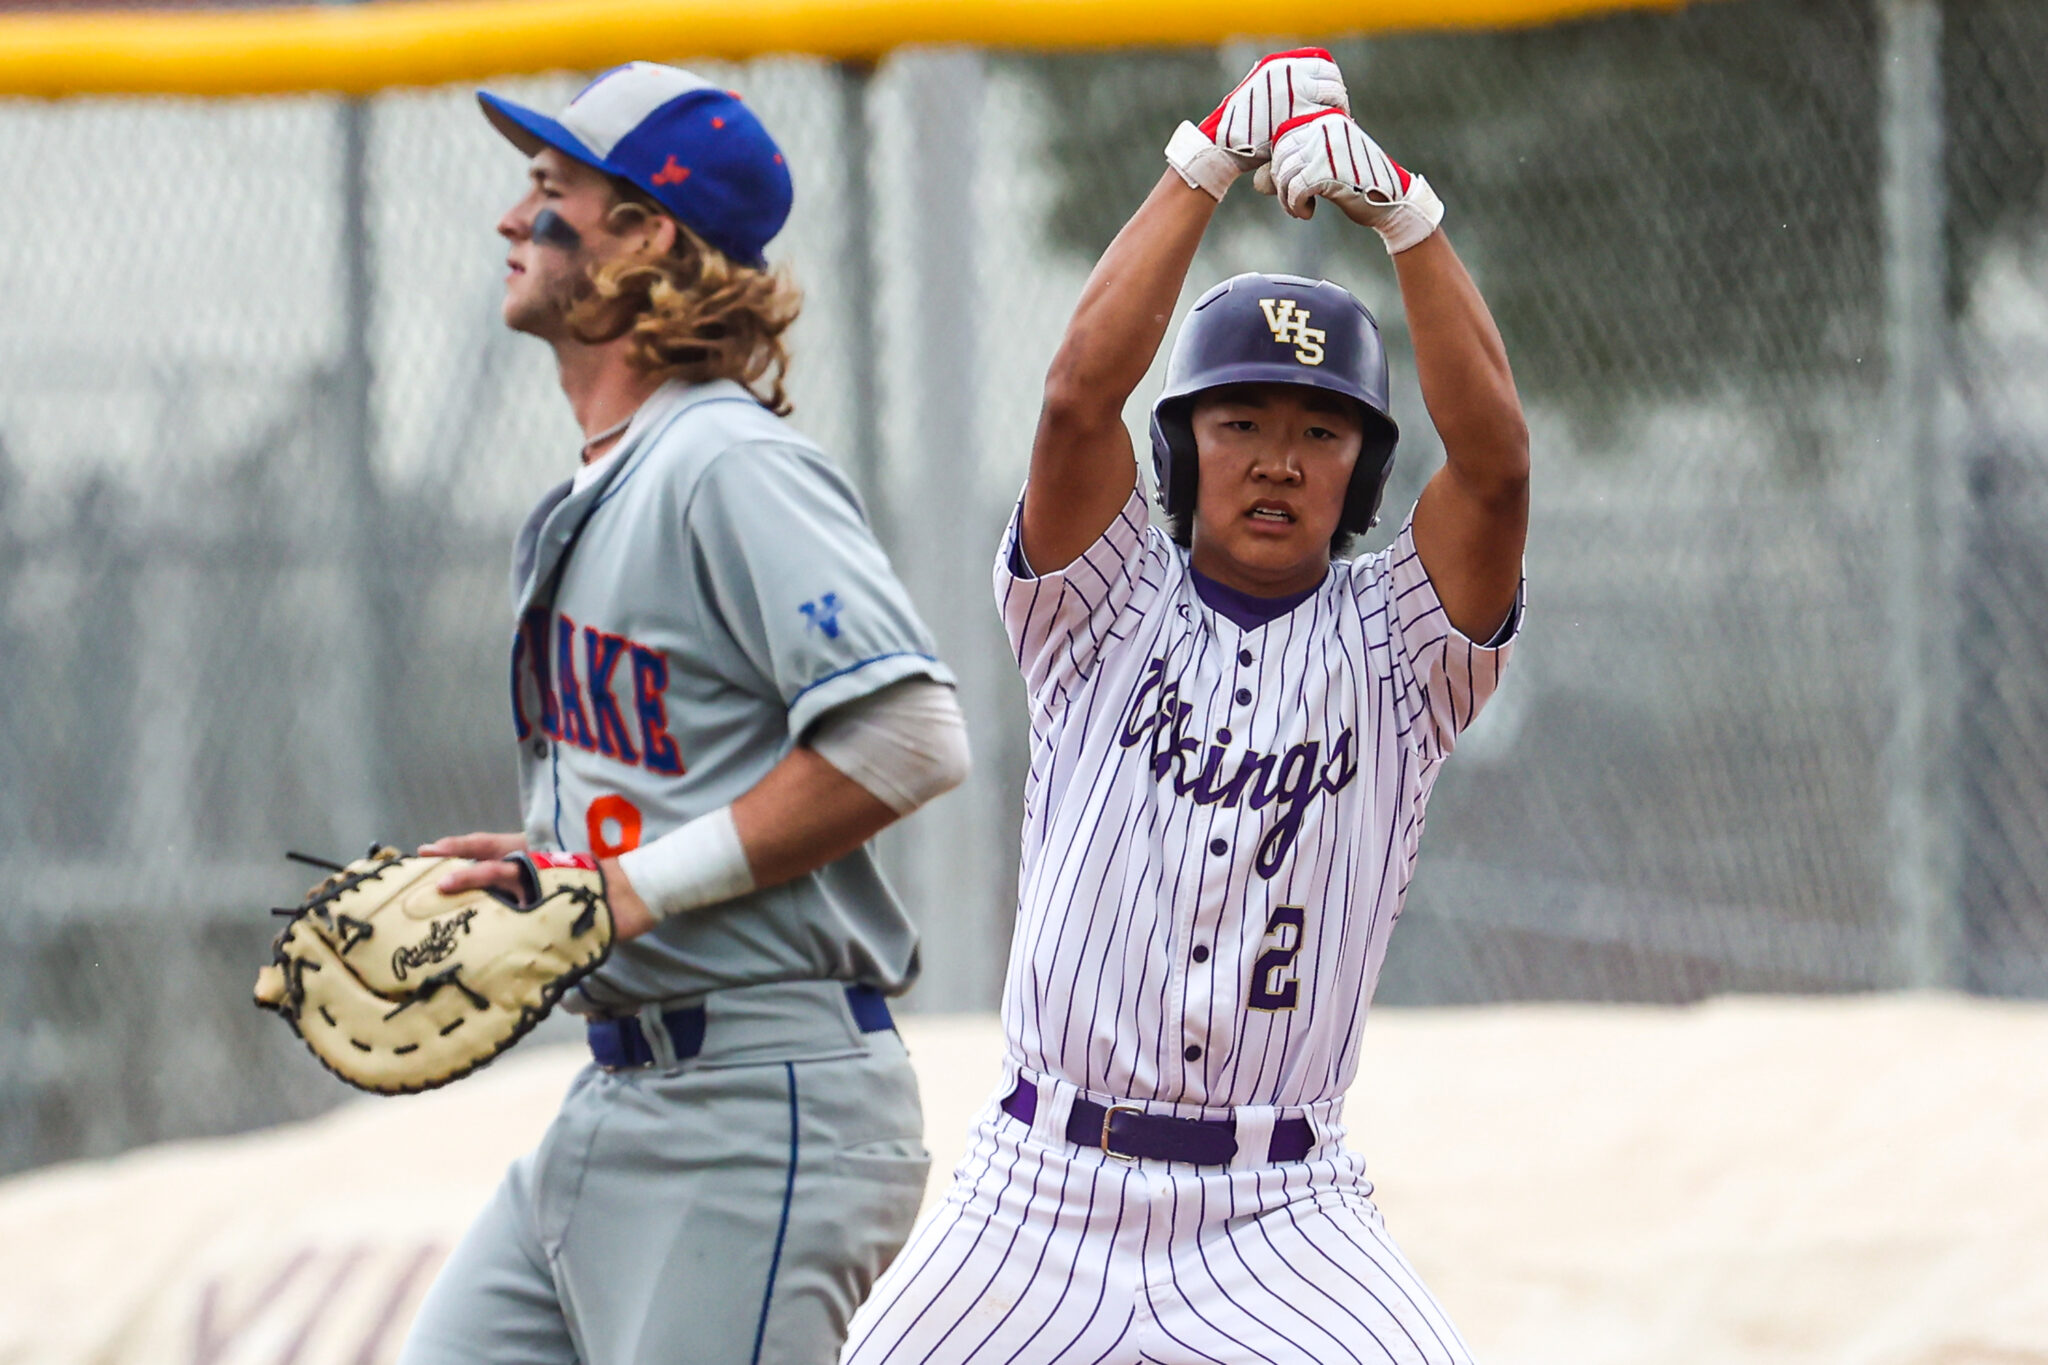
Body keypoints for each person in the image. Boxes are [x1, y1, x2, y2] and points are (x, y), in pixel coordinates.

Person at [840, 49, 1527, 1364]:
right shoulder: (1099, 601)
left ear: (1365, 468)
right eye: (1239, 420)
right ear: (1182, 446)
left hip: (1279, 1211)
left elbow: (1494, 465)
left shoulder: (1403, 650)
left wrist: (1409, 218)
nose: (1276, 456)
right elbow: (1073, 395)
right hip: (1035, 1193)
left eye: (1322, 431)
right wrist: (1202, 158)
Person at [396, 62, 970, 1365]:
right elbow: (666, 803)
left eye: (549, 192)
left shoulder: (726, 460)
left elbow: (911, 734)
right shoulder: (598, 490)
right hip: (616, 1091)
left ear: (647, 233)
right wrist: (555, 874)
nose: (509, 220)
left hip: (753, 1102)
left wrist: (629, 891)